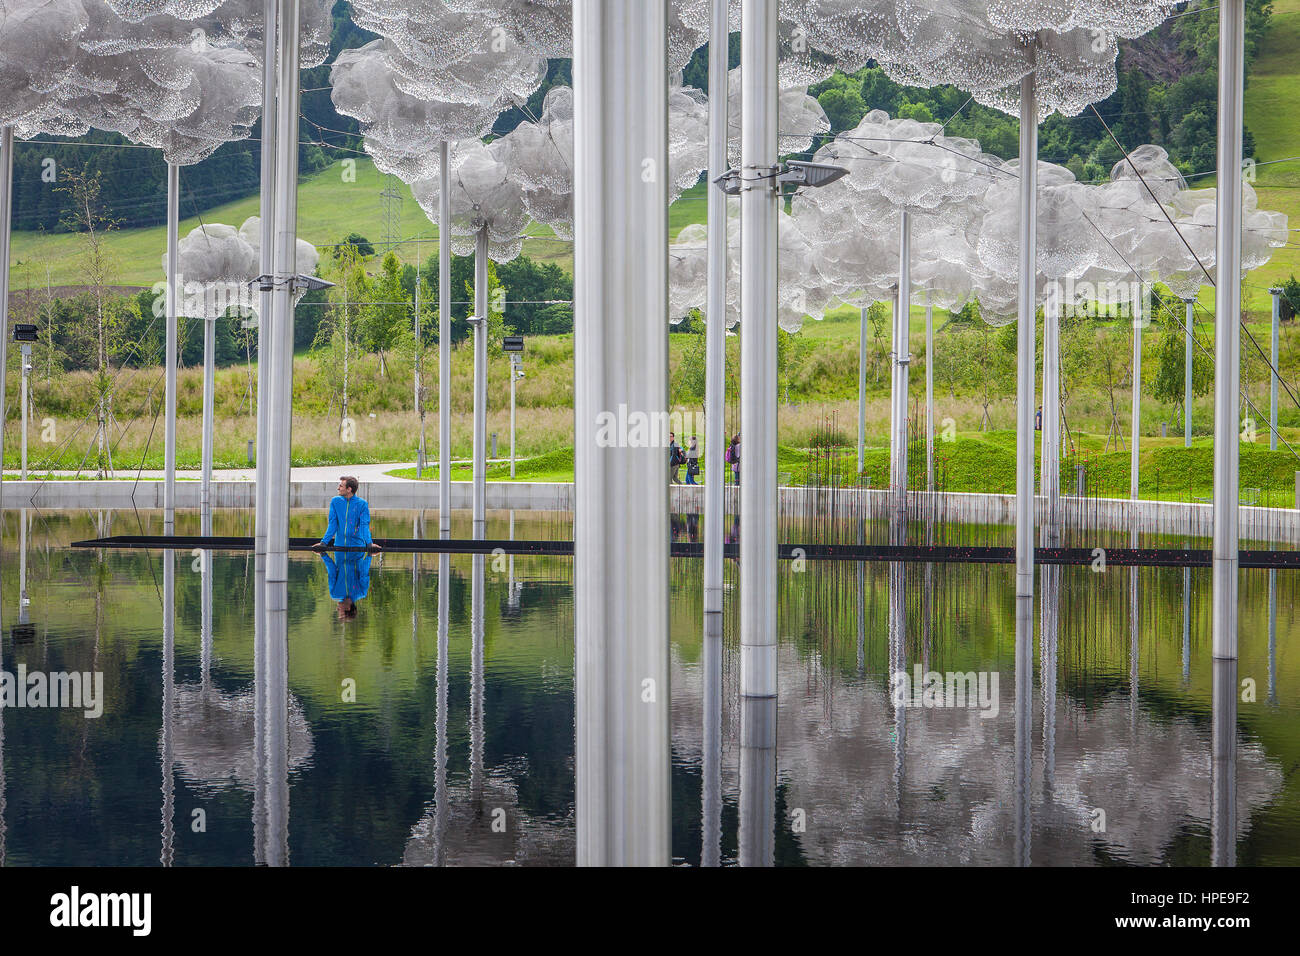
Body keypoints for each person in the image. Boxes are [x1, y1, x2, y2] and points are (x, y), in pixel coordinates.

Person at [312, 476, 383, 555]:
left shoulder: (362, 504)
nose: (338, 488)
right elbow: (333, 524)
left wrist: (369, 544)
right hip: (339, 547)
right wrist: (323, 543)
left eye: (341, 486)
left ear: (349, 489)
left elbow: (364, 526)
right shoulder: (335, 501)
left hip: (358, 548)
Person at [321, 549, 372, 619]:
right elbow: (364, 572)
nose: (337, 609)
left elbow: (332, 572)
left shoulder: (334, 594)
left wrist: (323, 554)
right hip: (357, 549)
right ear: (348, 608)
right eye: (339, 611)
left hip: (339, 550)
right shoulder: (361, 592)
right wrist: (369, 555)